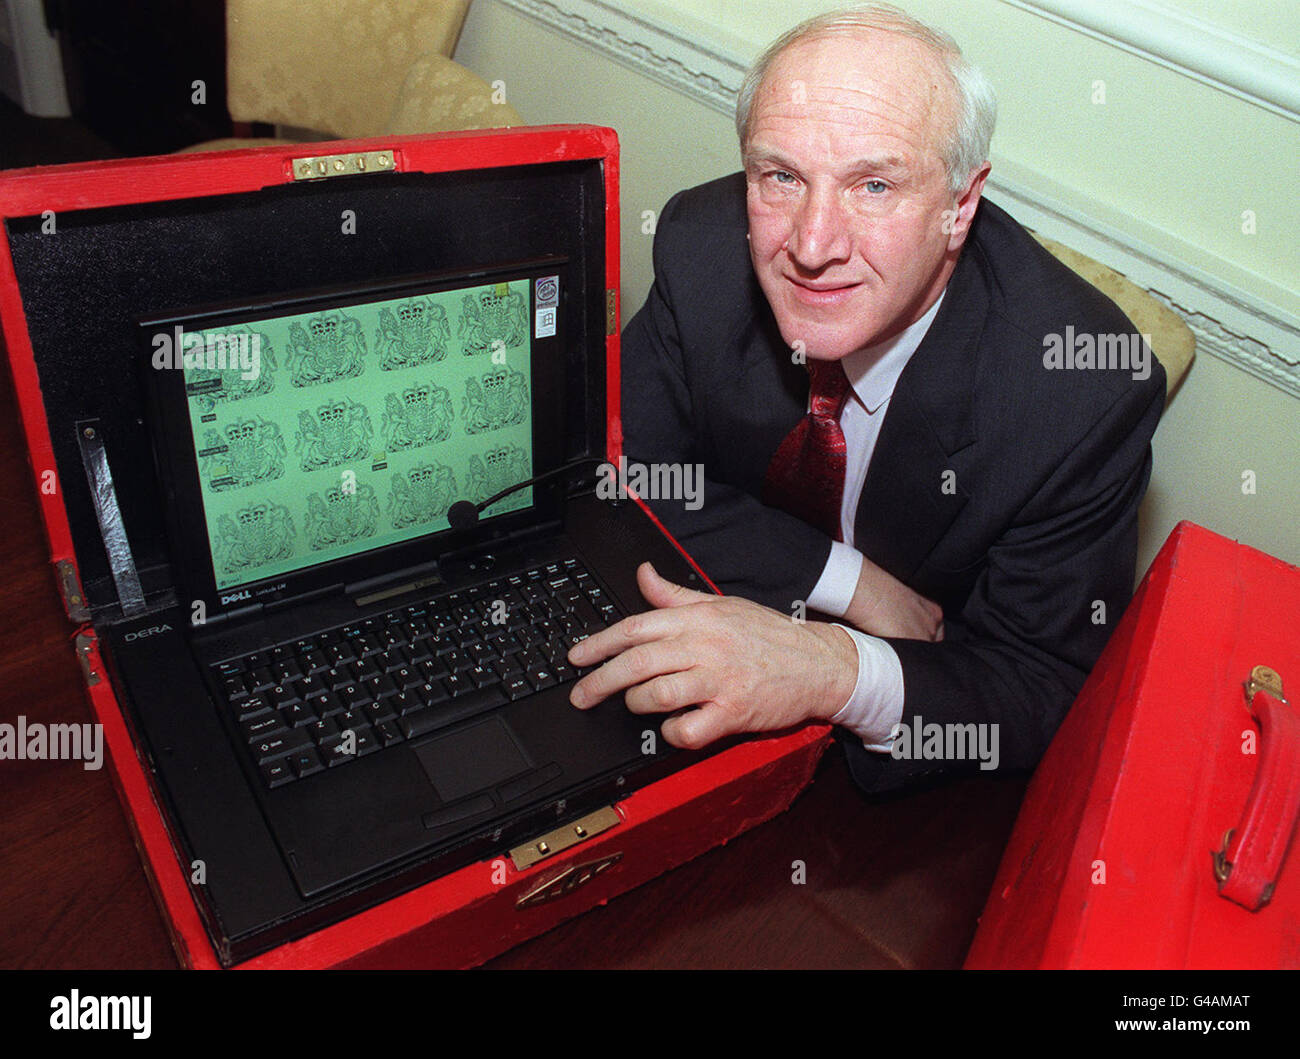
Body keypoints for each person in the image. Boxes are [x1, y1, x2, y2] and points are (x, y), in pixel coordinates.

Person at [567, 3, 1165, 791]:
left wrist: (836, 671)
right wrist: (847, 579)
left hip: (897, 797)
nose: (812, 246)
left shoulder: (1081, 392)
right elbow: (617, 470)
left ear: (960, 205)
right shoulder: (702, 244)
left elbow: (1039, 687)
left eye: (874, 185)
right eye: (781, 176)